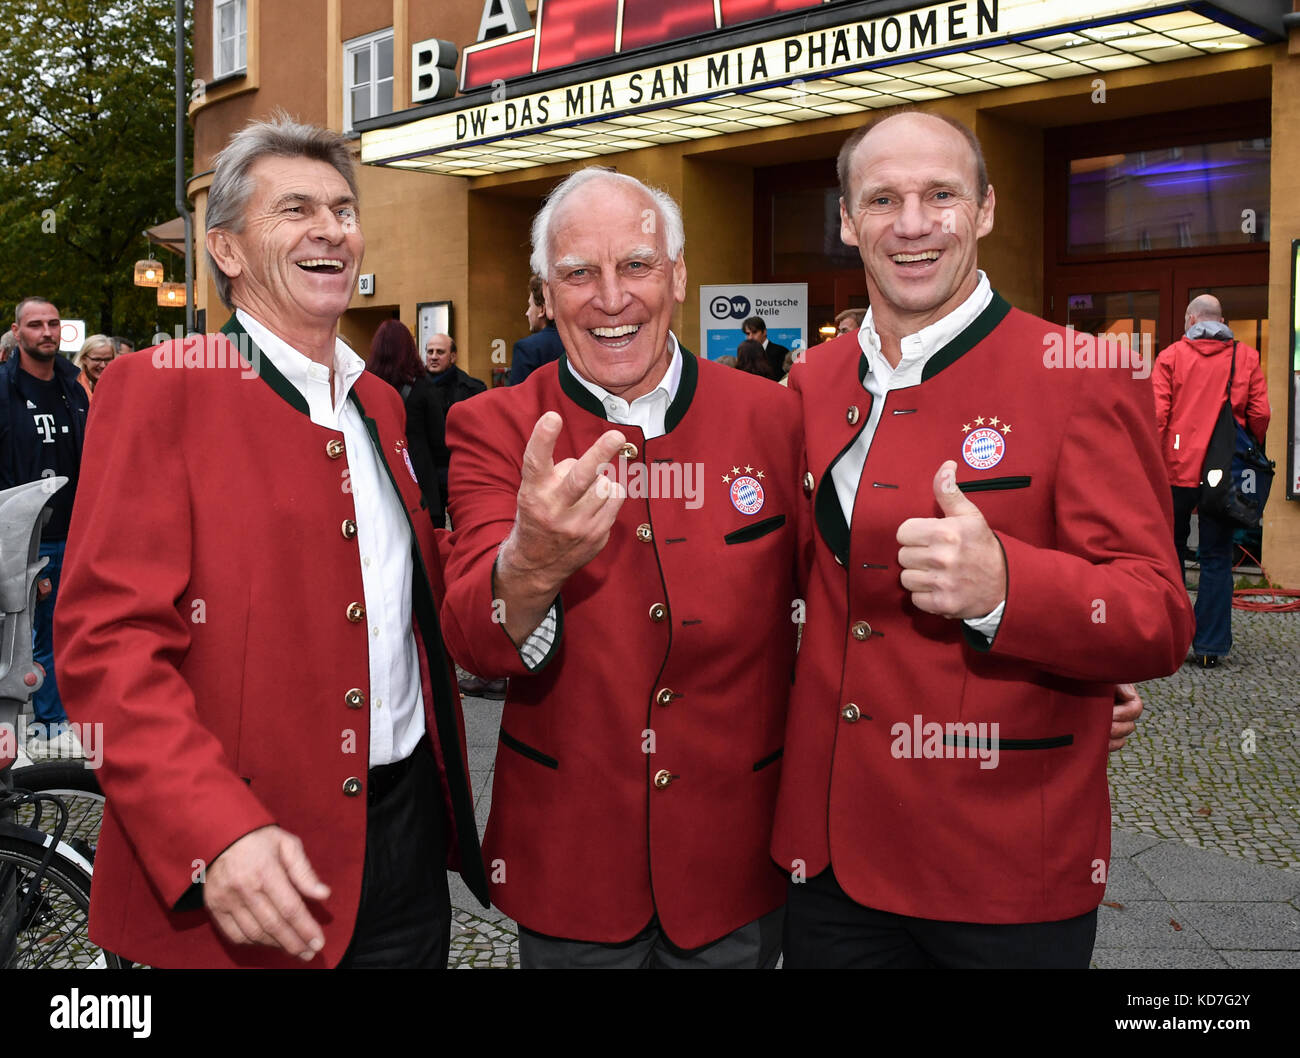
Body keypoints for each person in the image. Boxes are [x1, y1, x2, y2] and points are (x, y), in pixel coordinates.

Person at [54, 115, 487, 969]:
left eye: (343, 208)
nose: (332, 229)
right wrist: (212, 832)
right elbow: (107, 647)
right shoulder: (159, 390)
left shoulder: (385, 406)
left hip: (403, 846)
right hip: (245, 855)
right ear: (226, 250)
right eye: (296, 210)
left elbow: (410, 607)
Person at [775, 111, 1192, 969]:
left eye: (941, 195)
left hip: (1003, 863)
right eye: (883, 199)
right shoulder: (808, 382)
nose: (914, 223)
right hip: (829, 857)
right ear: (849, 221)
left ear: (987, 209)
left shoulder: (1082, 373)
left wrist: (1009, 589)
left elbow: (1157, 612)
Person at [439, 167, 806, 968]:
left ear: (677, 275)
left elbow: (848, 601)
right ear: (545, 292)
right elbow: (472, 636)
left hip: (740, 857)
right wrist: (531, 565)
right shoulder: (493, 425)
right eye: (579, 273)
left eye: (636, 265)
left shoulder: (775, 417)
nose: (611, 299)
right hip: (571, 861)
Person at [1153, 294, 1270, 668]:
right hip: (1223, 474)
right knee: (1217, 558)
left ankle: (1167, 640)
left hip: (1175, 470)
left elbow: (1156, 416)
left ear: (1190, 320)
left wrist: (1153, 462)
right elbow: (1261, 414)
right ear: (1223, 320)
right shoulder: (1246, 357)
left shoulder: (1171, 356)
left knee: (1168, 557)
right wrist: (1245, 445)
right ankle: (1209, 647)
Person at [2, 297, 89, 760]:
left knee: (58, 630)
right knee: (19, 633)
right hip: (16, 533)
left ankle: (53, 724)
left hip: (71, 530)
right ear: (18, 333)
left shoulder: (73, 388)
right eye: (35, 325)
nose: (46, 331)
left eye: (53, 323)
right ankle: (43, 727)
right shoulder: (3, 388)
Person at [366, 318, 446, 527]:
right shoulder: (423, 388)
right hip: (420, 485)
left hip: (379, 482)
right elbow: (439, 441)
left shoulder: (365, 387)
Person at [424, 331, 486, 508]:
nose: (434, 357)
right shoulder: (413, 387)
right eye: (430, 352)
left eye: (440, 352)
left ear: (453, 357)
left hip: (460, 469)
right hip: (428, 471)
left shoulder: (473, 388)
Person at [508, 274, 564, 385]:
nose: (527, 313)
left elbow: (519, 398)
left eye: (530, 305)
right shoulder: (582, 343)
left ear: (543, 309)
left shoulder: (526, 348)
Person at [74, 334, 116, 401]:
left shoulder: (120, 385)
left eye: (107, 359)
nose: (103, 365)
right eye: (97, 359)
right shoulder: (72, 387)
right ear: (84, 359)